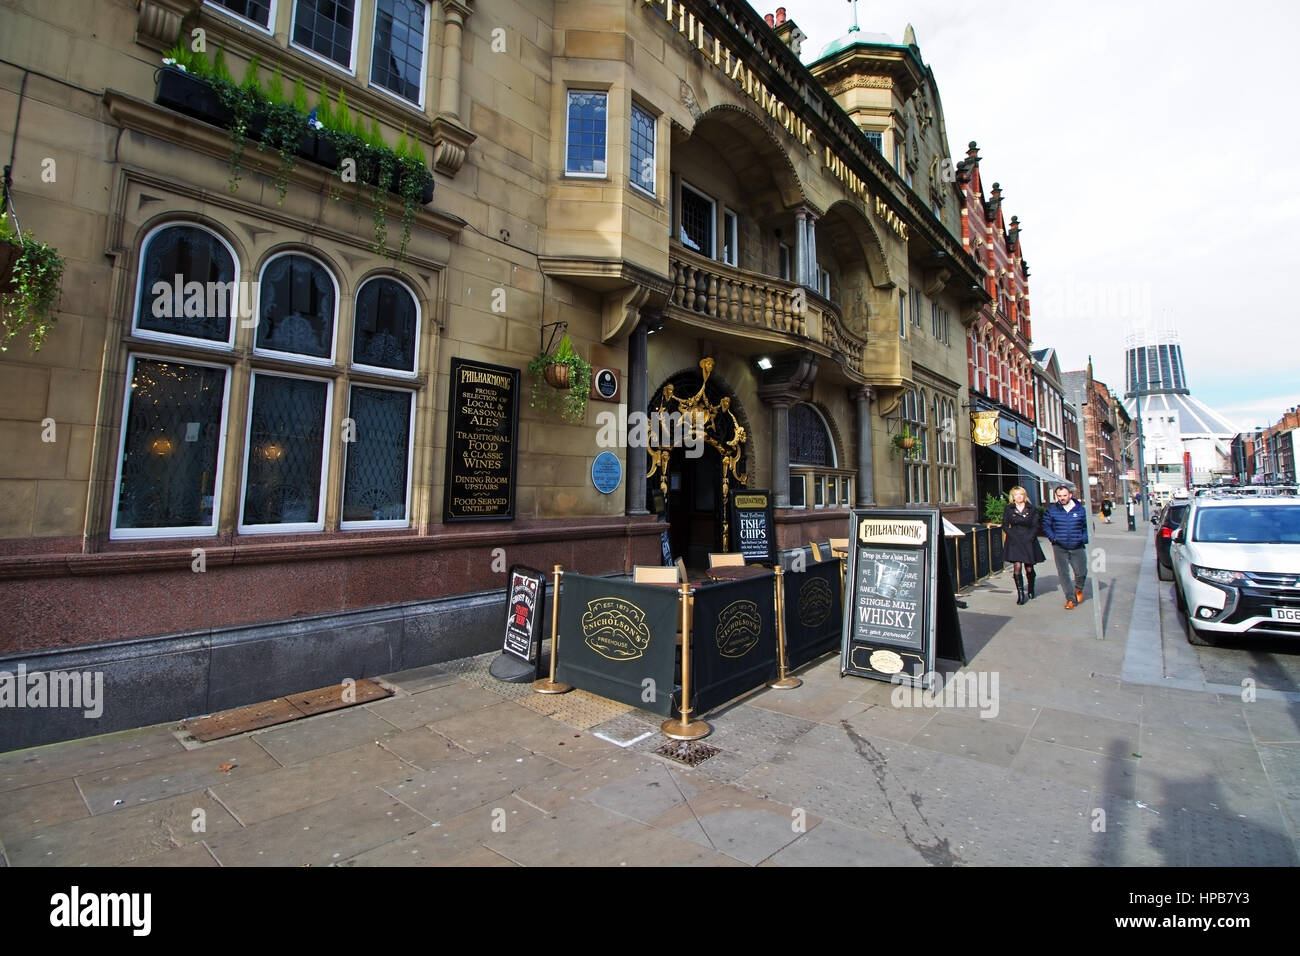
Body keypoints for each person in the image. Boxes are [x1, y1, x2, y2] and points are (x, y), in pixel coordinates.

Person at [1041, 484, 1089, 609]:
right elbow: (1046, 526)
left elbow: (1088, 526)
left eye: (1064, 495)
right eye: (1059, 496)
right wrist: (1053, 538)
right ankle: (1070, 599)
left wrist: (1082, 539)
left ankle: (1078, 588)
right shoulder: (1052, 510)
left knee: (1081, 572)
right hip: (1059, 546)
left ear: (1070, 495)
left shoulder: (1080, 510)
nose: (1062, 498)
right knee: (1063, 573)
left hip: (1077, 545)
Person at [1001, 486, 1046, 604]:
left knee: (1029, 567)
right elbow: (1005, 525)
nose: (1019, 497)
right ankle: (1020, 593)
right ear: (1013, 496)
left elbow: (1036, 525)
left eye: (1021, 494)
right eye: (1016, 495)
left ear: (1024, 496)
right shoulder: (1009, 508)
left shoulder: (1032, 509)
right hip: (1014, 540)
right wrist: (1012, 535)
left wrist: (1030, 537)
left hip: (1028, 539)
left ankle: (1031, 588)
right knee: (1017, 566)